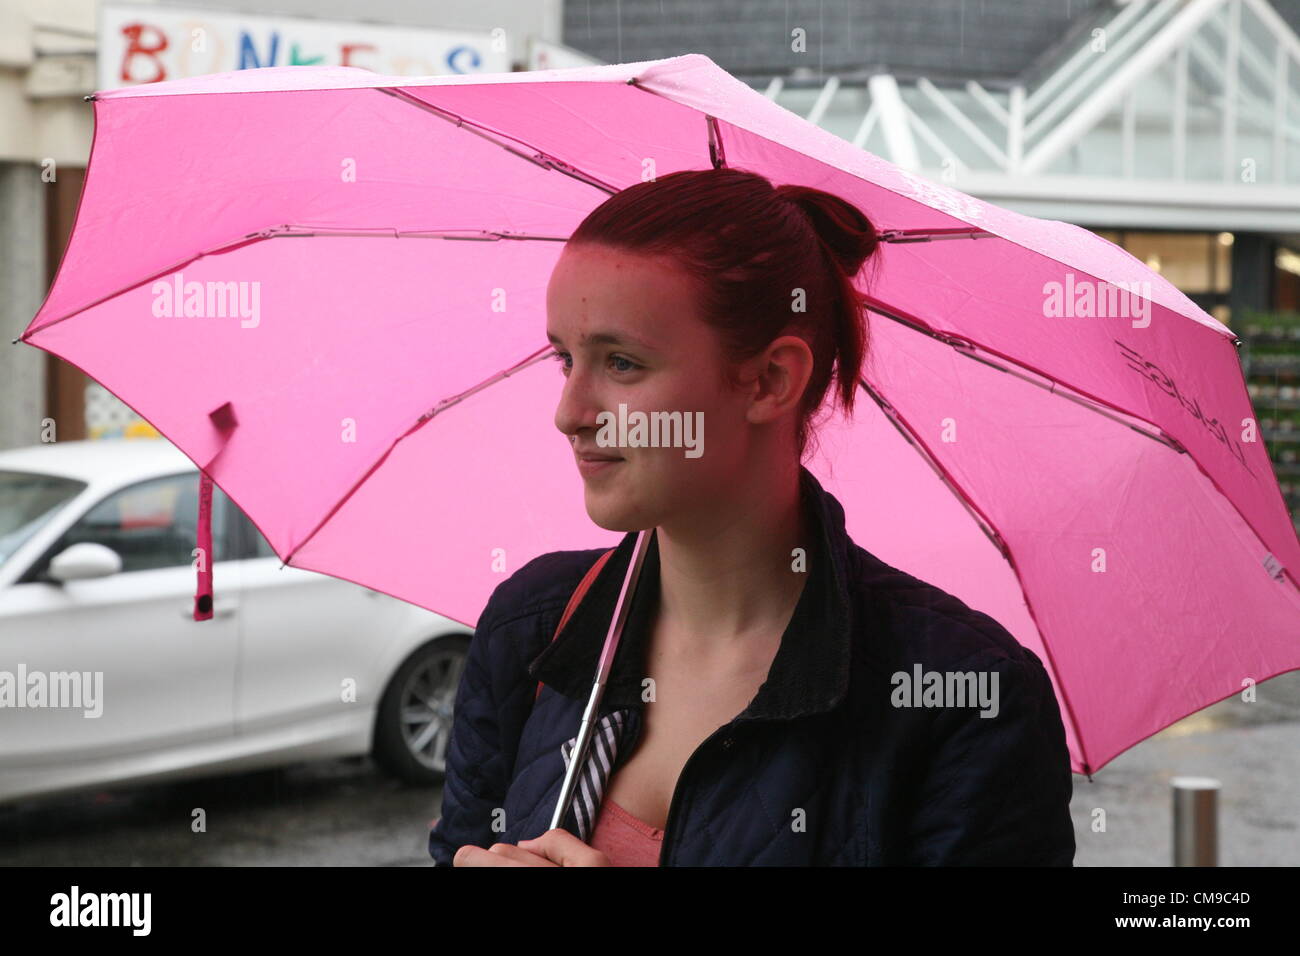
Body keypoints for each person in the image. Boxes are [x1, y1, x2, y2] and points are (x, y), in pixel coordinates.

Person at [427, 167, 1076, 866]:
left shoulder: (964, 698)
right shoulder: (532, 625)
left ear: (769, 381)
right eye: (565, 359)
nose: (571, 414)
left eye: (620, 363)